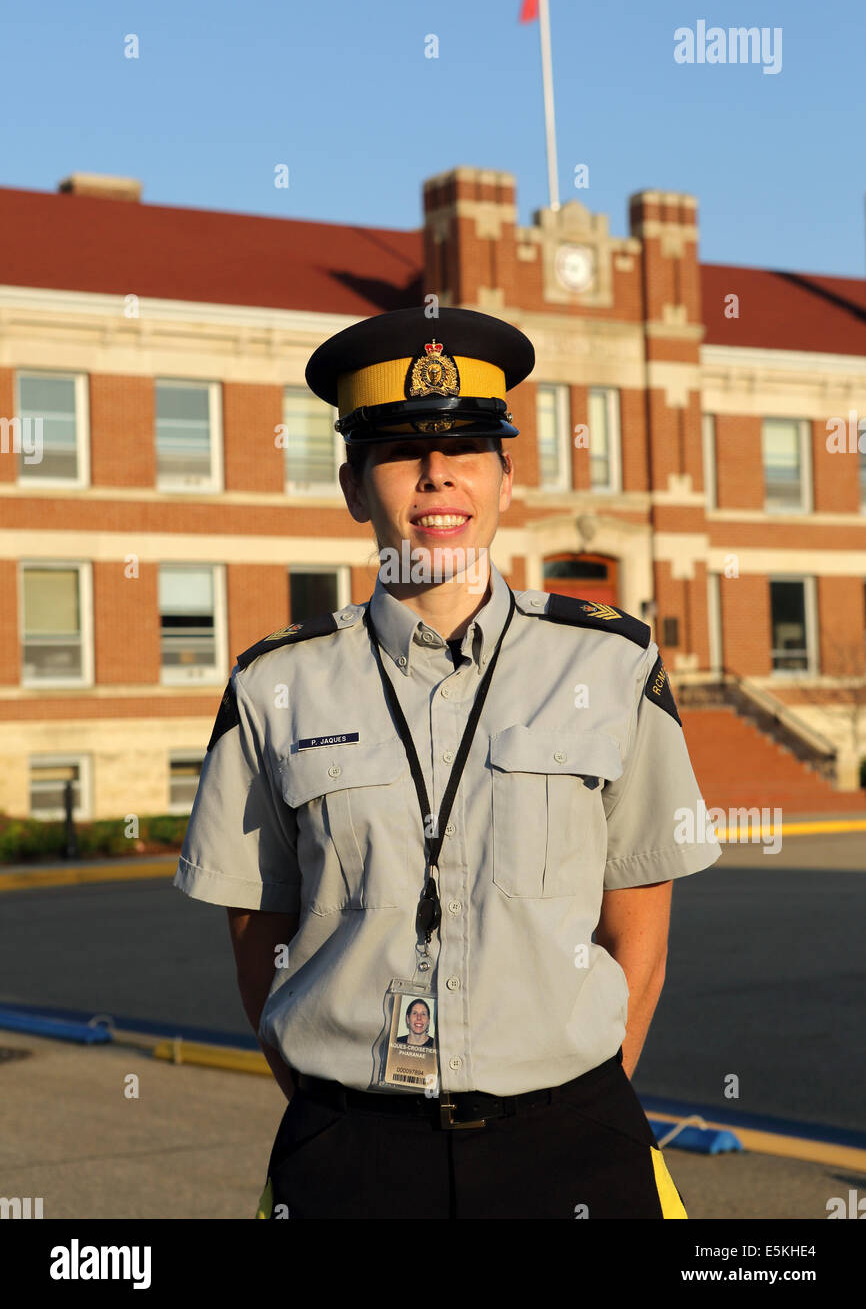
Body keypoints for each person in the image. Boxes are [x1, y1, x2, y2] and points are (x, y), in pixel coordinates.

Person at [173, 305, 721, 1220]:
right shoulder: (275, 687)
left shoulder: (611, 664)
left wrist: (563, 1102)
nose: (437, 476)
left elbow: (641, 938)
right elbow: (257, 946)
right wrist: (349, 1115)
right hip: (352, 1158)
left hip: (573, 1150)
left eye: (467, 446)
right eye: (398, 451)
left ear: (506, 476)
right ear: (353, 486)